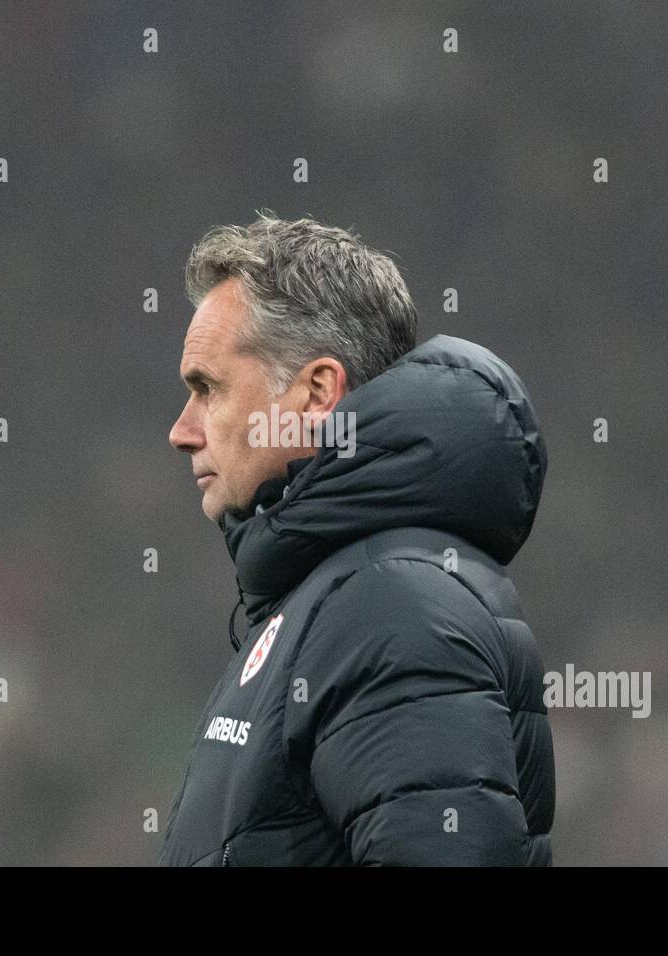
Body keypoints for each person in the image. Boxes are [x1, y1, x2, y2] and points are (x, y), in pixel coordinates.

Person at [159, 211, 553, 865]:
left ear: (317, 393)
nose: (182, 429)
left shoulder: (393, 606)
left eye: (208, 389)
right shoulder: (331, 593)